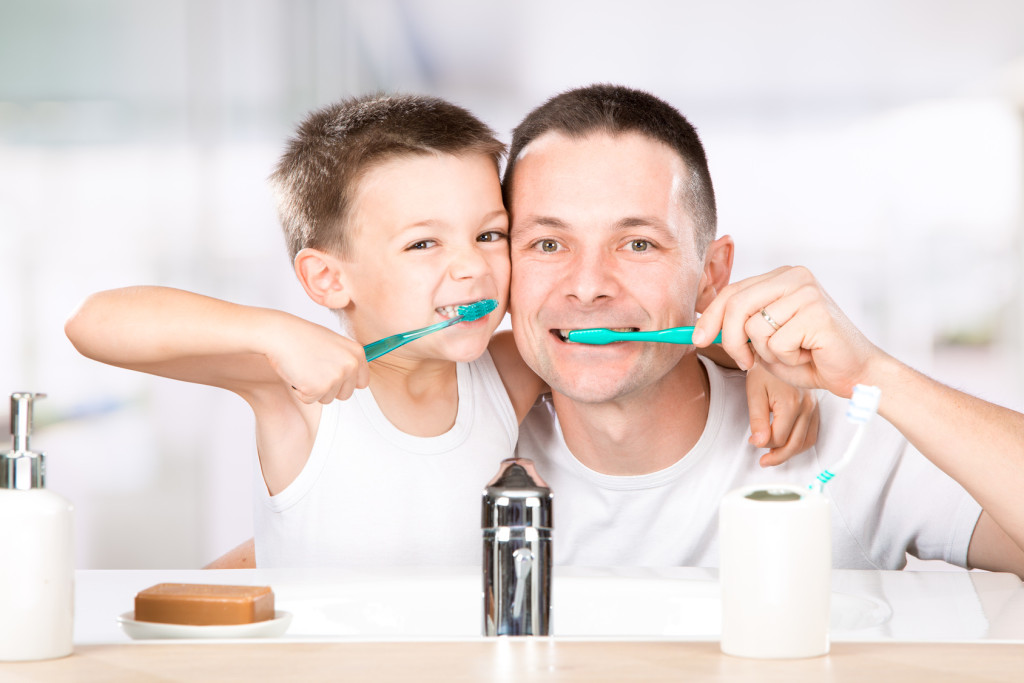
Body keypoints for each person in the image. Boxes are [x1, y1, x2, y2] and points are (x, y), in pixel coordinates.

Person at [64, 93, 816, 569]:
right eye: (424, 243)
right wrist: (271, 333)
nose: (470, 268)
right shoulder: (298, 391)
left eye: (489, 235)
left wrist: (761, 362)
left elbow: (627, 338)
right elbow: (95, 323)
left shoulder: (502, 372)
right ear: (328, 280)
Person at [506, 83, 1024, 577]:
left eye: (638, 244)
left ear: (711, 275)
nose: (588, 287)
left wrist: (872, 373)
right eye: (547, 244)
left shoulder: (842, 440)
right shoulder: (477, 439)